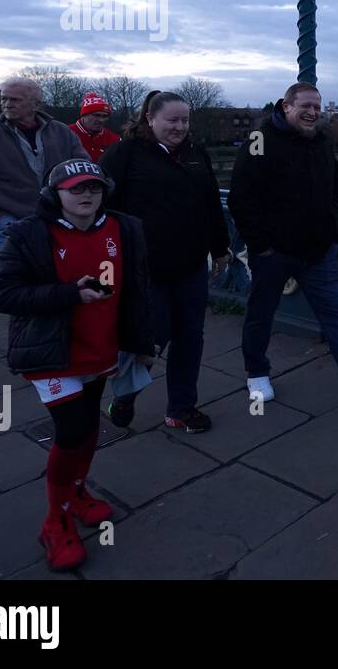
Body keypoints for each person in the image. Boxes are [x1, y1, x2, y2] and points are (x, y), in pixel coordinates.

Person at [0, 159, 152, 572]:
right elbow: (0, 293)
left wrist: (142, 343)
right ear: (54, 193)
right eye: (75, 189)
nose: (86, 195)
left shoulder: (125, 227)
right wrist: (67, 295)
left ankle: (77, 493)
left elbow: (139, 288)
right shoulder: (30, 233)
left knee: (91, 426)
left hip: (103, 347)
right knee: (73, 429)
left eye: (94, 188)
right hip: (53, 353)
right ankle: (55, 519)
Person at [228, 82, 338, 406]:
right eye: (305, 106)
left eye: (317, 108)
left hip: (318, 250)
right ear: (286, 106)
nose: (312, 113)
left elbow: (334, 190)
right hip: (273, 252)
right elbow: (241, 198)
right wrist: (262, 245)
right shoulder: (259, 141)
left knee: (335, 314)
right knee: (261, 314)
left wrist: (332, 229)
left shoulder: (322, 142)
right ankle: (257, 374)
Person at [100, 91, 231, 433]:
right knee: (150, 338)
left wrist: (220, 247)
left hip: (190, 264)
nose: (179, 127)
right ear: (150, 119)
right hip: (144, 267)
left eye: (184, 120)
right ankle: (125, 394)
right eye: (172, 120)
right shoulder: (125, 154)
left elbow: (211, 205)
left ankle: (182, 407)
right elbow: (100, 204)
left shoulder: (195, 154)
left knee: (190, 337)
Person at [0, 77, 88, 255]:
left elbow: (84, 170)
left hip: (59, 219)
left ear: (36, 104)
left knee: (61, 275)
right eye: (4, 99)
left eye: (14, 99)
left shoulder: (62, 133)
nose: (7, 104)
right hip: (9, 224)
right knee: (16, 279)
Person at [70, 92, 121, 163]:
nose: (101, 120)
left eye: (104, 116)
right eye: (96, 115)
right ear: (84, 116)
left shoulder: (115, 140)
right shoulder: (66, 134)